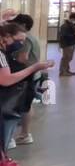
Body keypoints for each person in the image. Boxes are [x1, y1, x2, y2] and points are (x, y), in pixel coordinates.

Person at [8, 14, 46, 147]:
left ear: (23, 26)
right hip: (32, 74)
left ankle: (13, 137)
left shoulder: (25, 39)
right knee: (26, 105)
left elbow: (22, 58)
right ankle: (25, 134)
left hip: (26, 75)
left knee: (15, 106)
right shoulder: (31, 37)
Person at [58, 12, 75, 76]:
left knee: (69, 57)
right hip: (67, 44)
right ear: (73, 18)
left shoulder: (70, 25)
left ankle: (66, 70)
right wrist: (74, 35)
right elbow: (64, 35)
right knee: (66, 57)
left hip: (71, 43)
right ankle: (62, 71)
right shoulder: (65, 26)